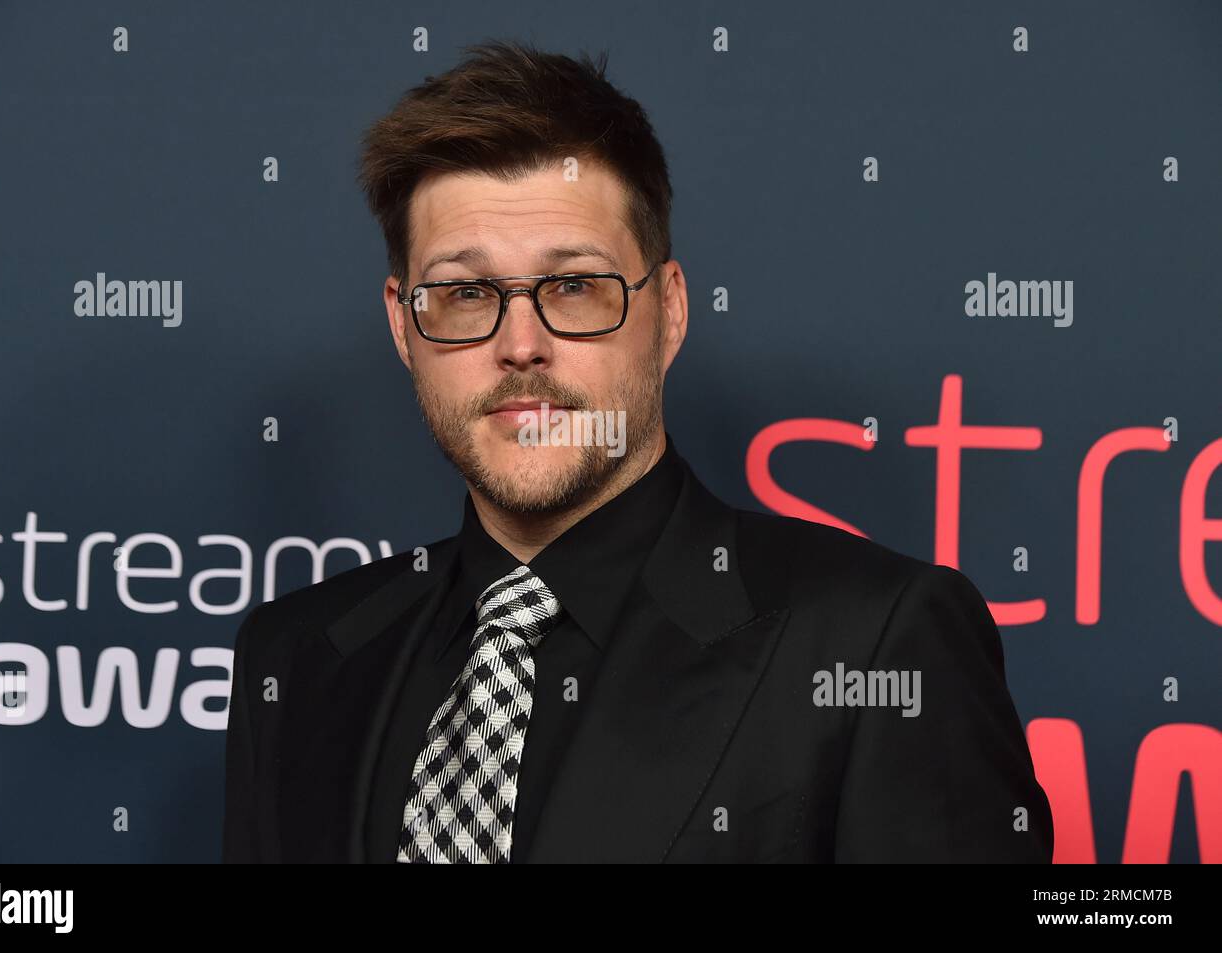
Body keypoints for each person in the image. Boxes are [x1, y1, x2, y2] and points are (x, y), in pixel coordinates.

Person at [222, 39, 1053, 863]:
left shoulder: (872, 639)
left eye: (574, 286)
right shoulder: (297, 660)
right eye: (467, 293)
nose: (521, 345)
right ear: (405, 325)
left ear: (671, 312)